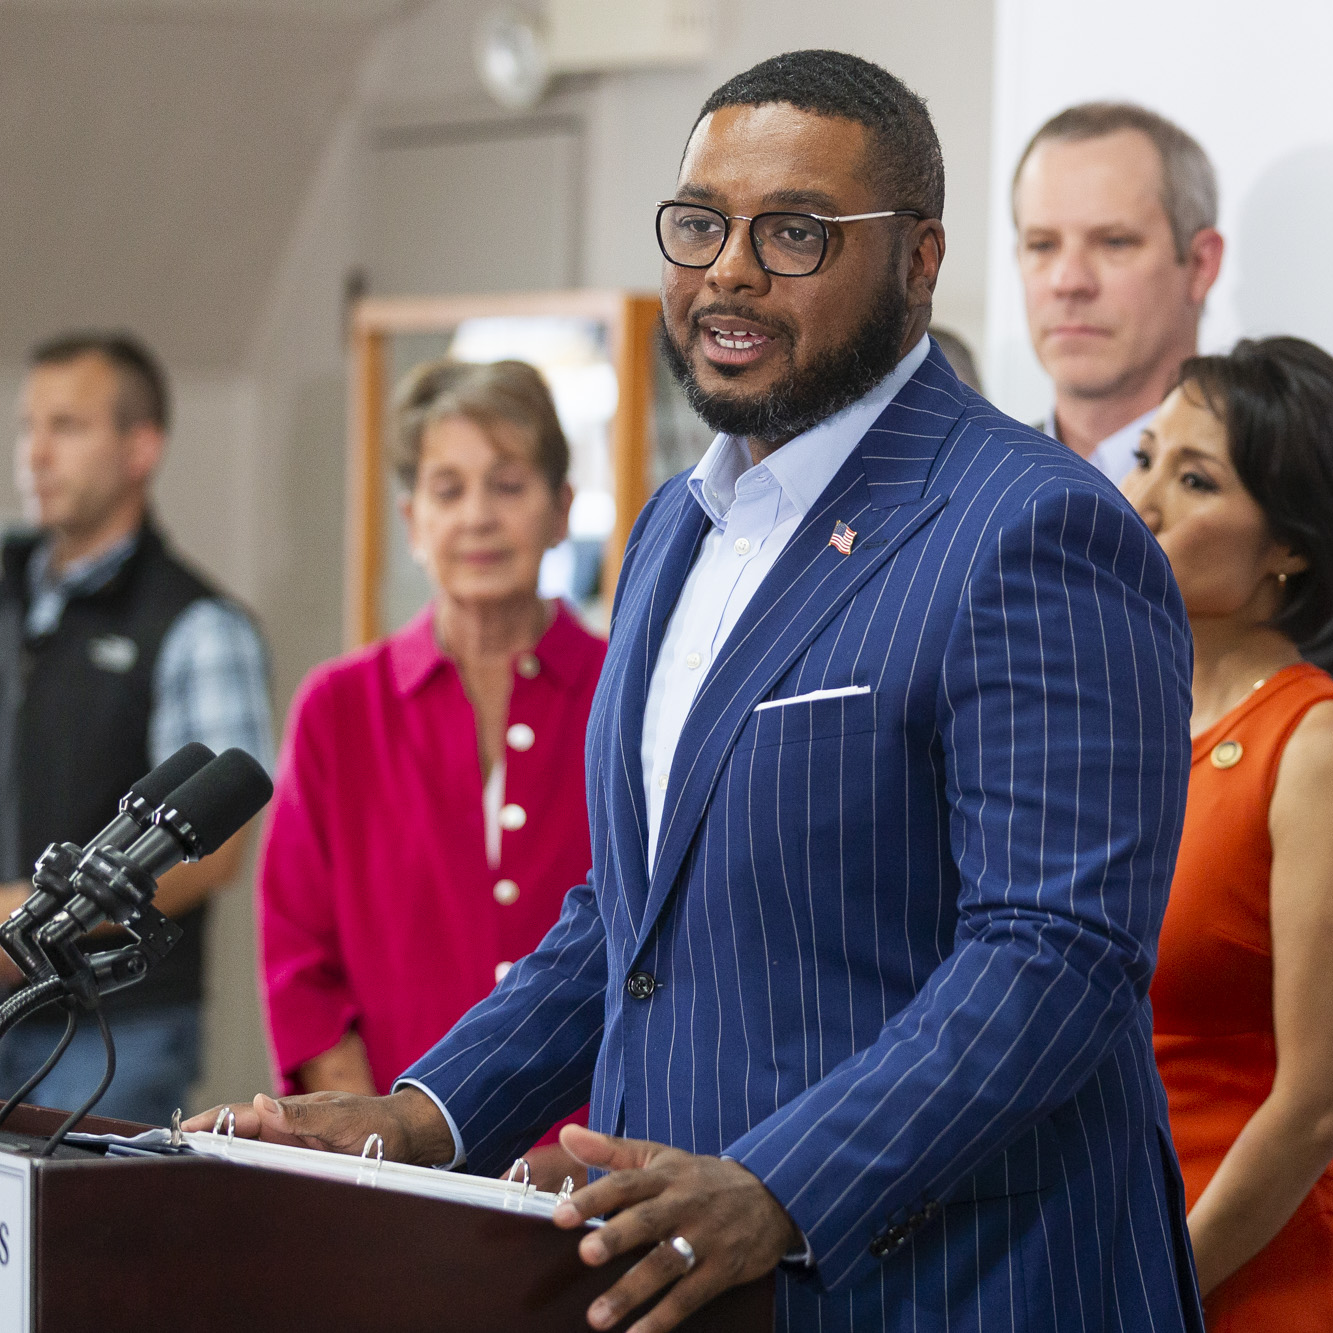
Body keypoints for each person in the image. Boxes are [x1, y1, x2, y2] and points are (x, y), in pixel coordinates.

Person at [195, 50, 1201, 1333]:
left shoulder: (1033, 527)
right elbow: (634, 910)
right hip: (686, 1285)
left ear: (920, 258)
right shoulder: (677, 525)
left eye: (793, 233)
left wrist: (783, 1184)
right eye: (699, 225)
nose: (728, 270)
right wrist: (428, 1113)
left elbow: (1055, 954)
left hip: (959, 1286)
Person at [258, 359, 603, 1183]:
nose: (478, 517)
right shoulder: (338, 706)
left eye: (509, 485)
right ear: (413, 521)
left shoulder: (628, 693)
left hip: (593, 1176)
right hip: (389, 1182)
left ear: (560, 512)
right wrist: (389, 1150)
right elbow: (299, 963)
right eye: (448, 490)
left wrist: (565, 1163)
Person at [1126, 337, 1333, 1329]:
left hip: (1253, 1277)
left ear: (1288, 543)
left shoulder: (1321, 746)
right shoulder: (1115, 722)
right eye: (1145, 457)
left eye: (1193, 478)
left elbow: (1318, 1105)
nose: (1143, 499)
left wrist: (1149, 1293)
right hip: (1100, 1258)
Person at [1013, 102, 1333, 744]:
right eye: (1041, 245)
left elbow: (1328, 763)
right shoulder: (972, 489)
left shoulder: (1296, 479)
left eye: (1114, 242)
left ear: (1201, 264)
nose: (1067, 280)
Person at [0, 332, 272, 1125]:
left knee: (83, 1245)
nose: (36, 454)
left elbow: (211, 850)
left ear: (140, 446)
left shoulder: (197, 623)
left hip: (112, 1025)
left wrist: (29, 918)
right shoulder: (10, 590)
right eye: (27, 427)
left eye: (68, 427)